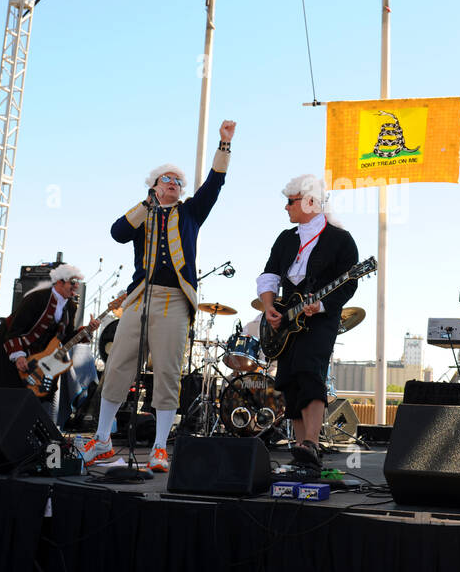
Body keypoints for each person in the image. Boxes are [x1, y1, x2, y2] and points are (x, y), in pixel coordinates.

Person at [80, 120, 235, 471]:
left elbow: (214, 184)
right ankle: (102, 439)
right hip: (139, 296)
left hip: (175, 299)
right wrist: (146, 204)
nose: (175, 184)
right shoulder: (143, 214)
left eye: (179, 181)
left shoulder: (191, 212)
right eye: (168, 179)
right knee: (118, 364)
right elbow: (117, 233)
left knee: (168, 372)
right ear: (153, 186)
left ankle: (160, 448)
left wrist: (224, 145)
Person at [257, 174, 359, 472]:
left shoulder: (340, 239)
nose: (286, 208)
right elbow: (270, 275)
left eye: (290, 202)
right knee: (290, 379)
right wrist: (268, 307)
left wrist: (324, 303)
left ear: (310, 202)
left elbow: (349, 283)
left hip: (320, 319)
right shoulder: (286, 238)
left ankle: (312, 442)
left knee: (311, 371)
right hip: (287, 319)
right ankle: (302, 451)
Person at [0, 264, 87, 405]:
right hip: (11, 342)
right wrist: (18, 356)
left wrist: (87, 331)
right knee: (10, 389)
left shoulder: (71, 307)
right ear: (60, 282)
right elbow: (15, 329)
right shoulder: (36, 298)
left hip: (39, 354)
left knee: (41, 393)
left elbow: (66, 337)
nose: (76, 287)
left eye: (77, 283)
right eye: (73, 283)